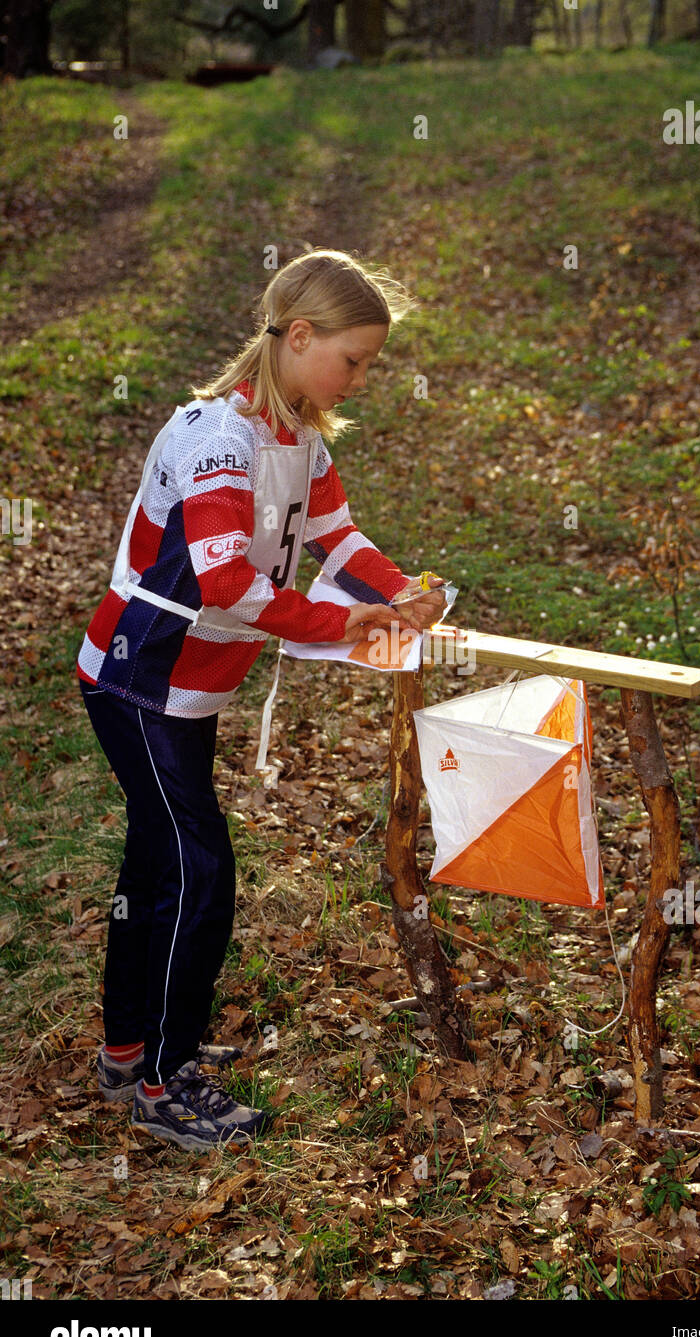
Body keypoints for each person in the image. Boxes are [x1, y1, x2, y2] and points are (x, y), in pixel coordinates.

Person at [77, 248, 447, 1153]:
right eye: (353, 359)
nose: (360, 377)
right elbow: (224, 587)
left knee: (160, 867)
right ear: (300, 336)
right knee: (199, 873)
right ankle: (164, 1082)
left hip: (190, 687)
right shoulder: (218, 442)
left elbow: (336, 535)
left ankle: (132, 1050)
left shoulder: (301, 439)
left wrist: (399, 594)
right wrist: (344, 625)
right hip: (140, 678)